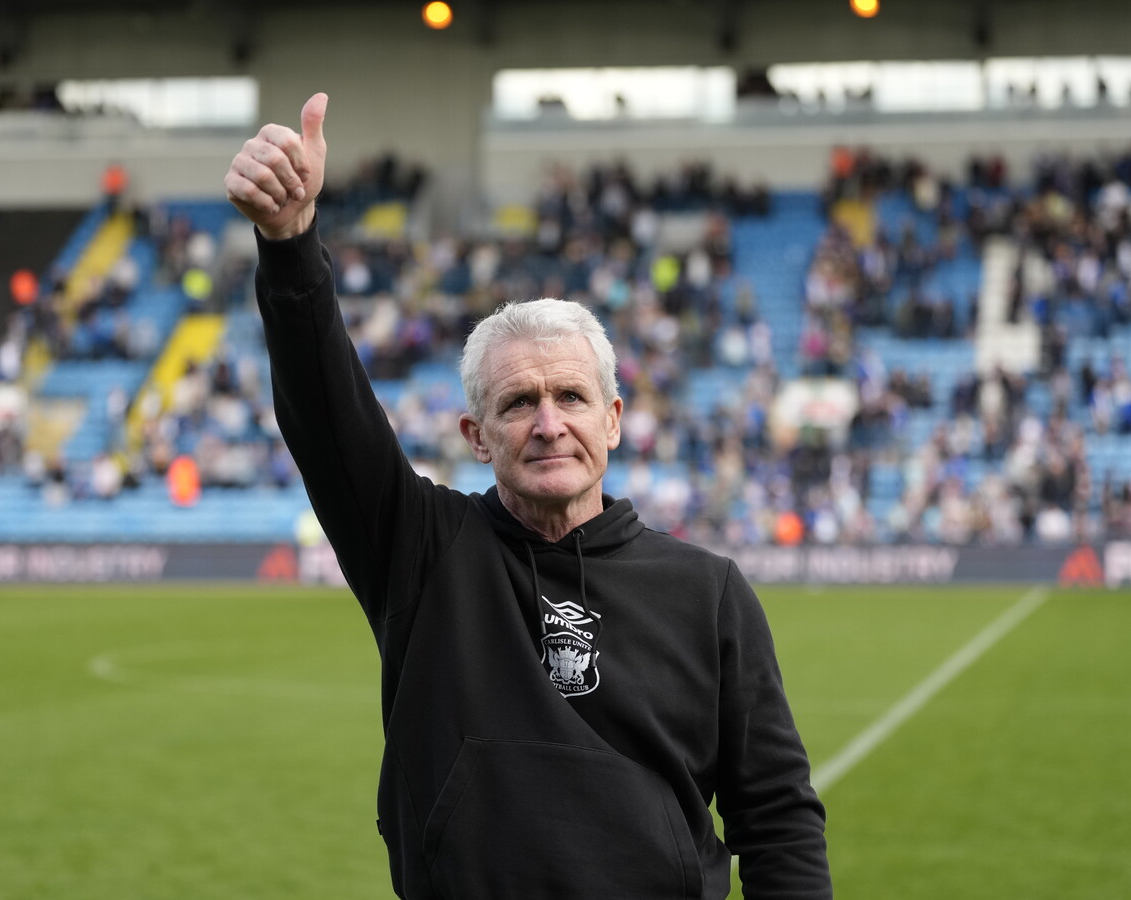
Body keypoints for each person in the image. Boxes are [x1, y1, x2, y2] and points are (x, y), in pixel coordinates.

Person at [226, 93, 830, 900]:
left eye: (571, 398)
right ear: (477, 436)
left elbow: (778, 819)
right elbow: (327, 417)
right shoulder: (423, 553)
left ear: (613, 421)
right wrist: (291, 244)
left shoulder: (708, 592)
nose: (549, 424)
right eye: (518, 404)